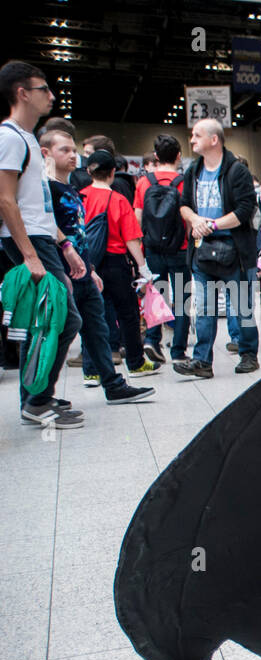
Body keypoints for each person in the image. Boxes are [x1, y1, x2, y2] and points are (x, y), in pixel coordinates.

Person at [40, 123, 153, 404]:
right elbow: (130, 237)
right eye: (65, 150)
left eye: (74, 150)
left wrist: (89, 267)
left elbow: (79, 234)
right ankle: (38, 397)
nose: (73, 155)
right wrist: (143, 269)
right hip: (69, 269)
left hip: (86, 268)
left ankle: (107, 381)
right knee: (62, 329)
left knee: (96, 325)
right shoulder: (46, 190)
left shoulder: (76, 191)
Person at [0, 60, 86, 428]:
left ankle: (36, 397)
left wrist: (65, 245)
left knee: (45, 321)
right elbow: (6, 199)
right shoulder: (9, 138)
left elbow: (39, 204)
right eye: (43, 89)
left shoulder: (28, 140)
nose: (51, 95)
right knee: (62, 319)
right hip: (27, 240)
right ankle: (37, 399)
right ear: (22, 93)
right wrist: (29, 254)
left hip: (42, 238)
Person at [173, 118, 259, 378]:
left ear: (214, 139)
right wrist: (195, 220)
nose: (192, 140)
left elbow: (244, 210)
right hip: (202, 251)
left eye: (197, 135)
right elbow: (184, 204)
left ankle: (248, 354)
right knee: (204, 309)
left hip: (235, 251)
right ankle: (202, 361)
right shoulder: (193, 171)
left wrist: (211, 225)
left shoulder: (236, 171)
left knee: (242, 309)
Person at [81, 149, 159, 377]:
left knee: (91, 316)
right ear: (113, 172)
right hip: (116, 264)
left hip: (86, 263)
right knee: (128, 314)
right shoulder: (118, 199)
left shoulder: (80, 197)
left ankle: (91, 371)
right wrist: (143, 268)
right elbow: (131, 239)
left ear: (89, 172)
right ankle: (135, 363)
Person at [134, 133, 190, 364]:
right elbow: (188, 219)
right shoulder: (185, 182)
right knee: (183, 298)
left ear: (156, 156)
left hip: (153, 248)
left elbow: (137, 218)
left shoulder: (144, 182)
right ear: (179, 156)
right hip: (180, 248)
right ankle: (178, 351)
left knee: (156, 295)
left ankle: (152, 340)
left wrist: (141, 247)